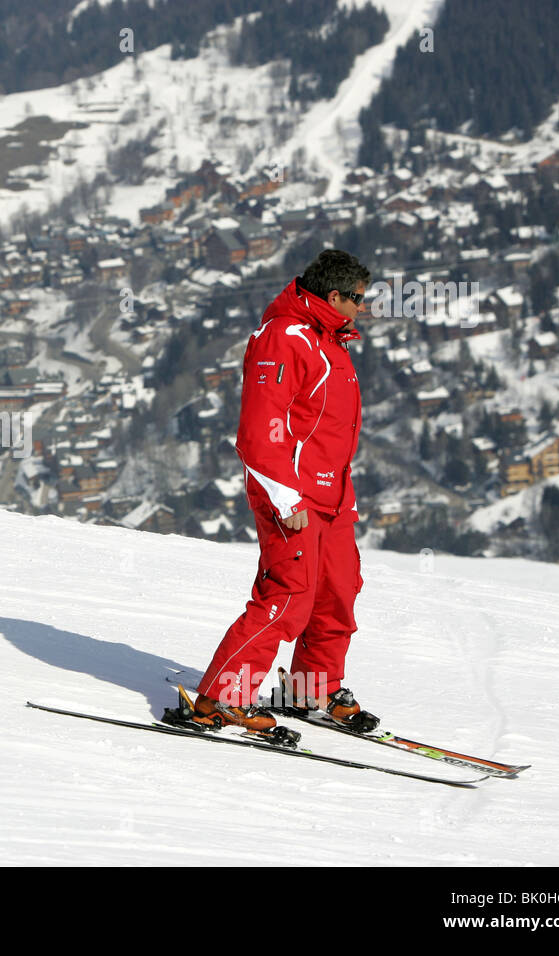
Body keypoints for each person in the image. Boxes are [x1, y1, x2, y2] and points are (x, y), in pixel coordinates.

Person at [184, 249, 378, 734]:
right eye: (357, 299)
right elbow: (259, 429)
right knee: (288, 594)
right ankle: (220, 699)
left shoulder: (330, 340)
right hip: (291, 496)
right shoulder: (284, 338)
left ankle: (311, 691)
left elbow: (325, 429)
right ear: (333, 296)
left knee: (338, 592)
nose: (363, 309)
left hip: (332, 496)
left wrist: (341, 494)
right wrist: (285, 496)